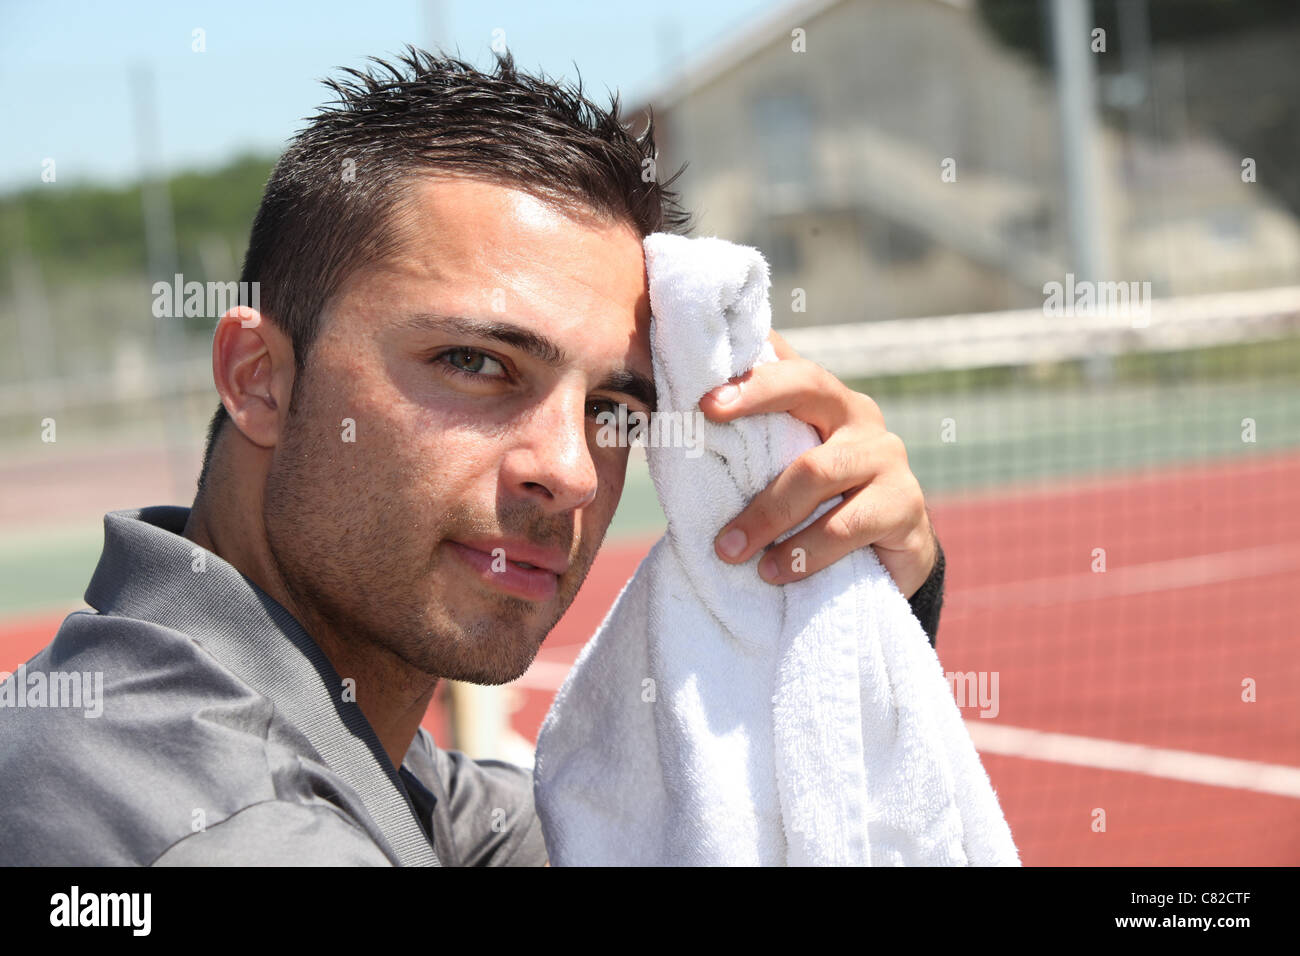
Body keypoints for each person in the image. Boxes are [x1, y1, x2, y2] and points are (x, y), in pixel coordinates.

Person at [0, 48, 945, 866]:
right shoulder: (220, 817)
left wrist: (860, 601)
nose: (571, 470)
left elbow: (652, 835)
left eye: (614, 407)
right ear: (259, 380)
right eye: (476, 363)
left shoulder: (354, 747)